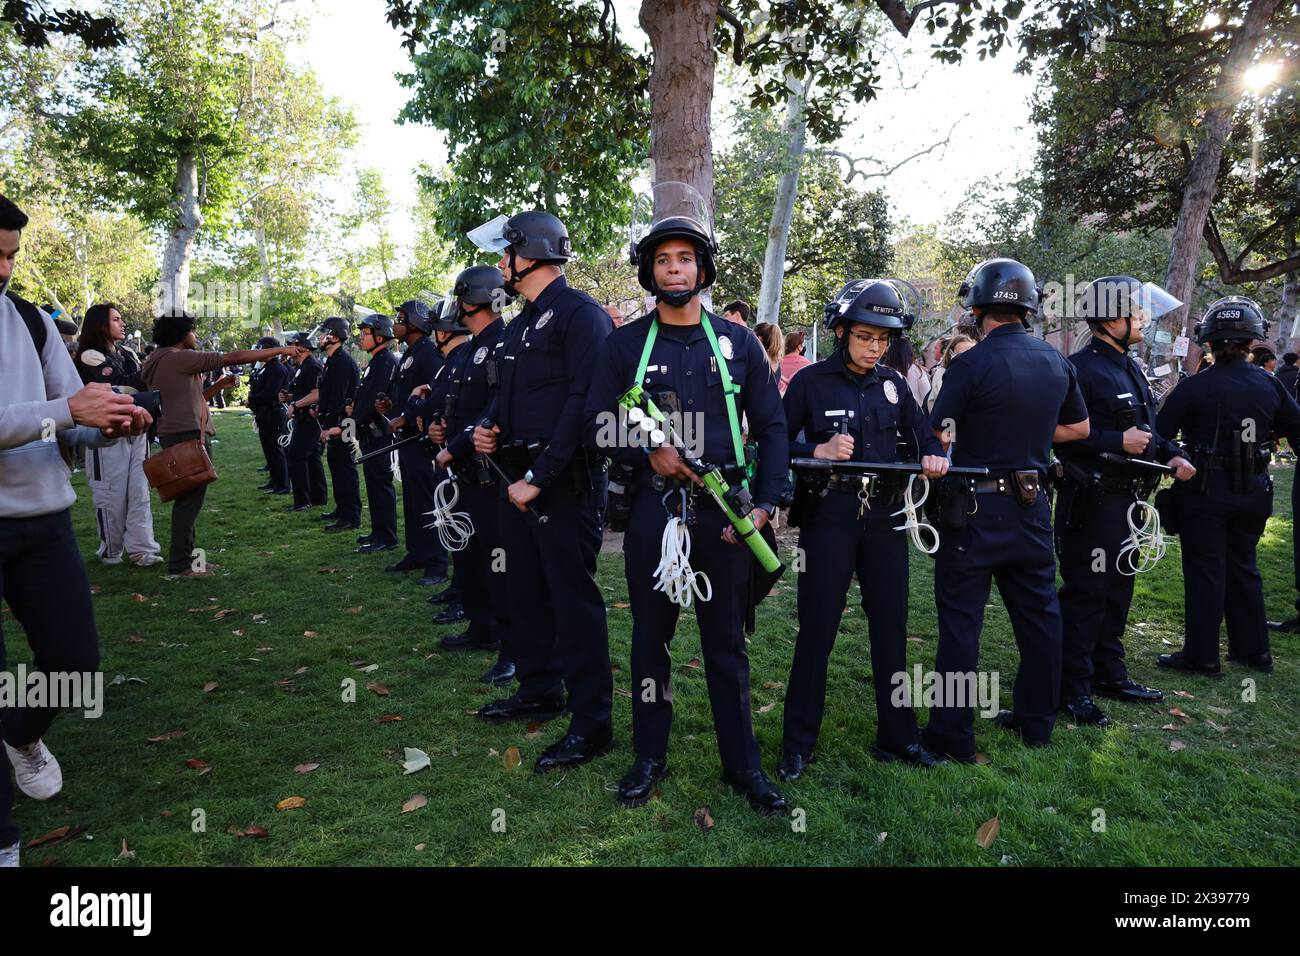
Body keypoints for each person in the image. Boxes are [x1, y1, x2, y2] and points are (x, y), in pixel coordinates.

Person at [584, 184, 788, 814]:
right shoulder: (624, 345)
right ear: (650, 271)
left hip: (725, 510)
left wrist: (768, 502)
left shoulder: (737, 342)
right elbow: (597, 422)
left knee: (726, 642)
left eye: (685, 259)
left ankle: (744, 766)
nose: (675, 268)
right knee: (650, 640)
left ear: (703, 269)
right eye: (664, 260)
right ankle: (649, 758)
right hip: (655, 511)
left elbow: (773, 426)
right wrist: (648, 454)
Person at [1, 193, 153, 868]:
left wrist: (109, 421)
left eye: (10, 254)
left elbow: (74, 420)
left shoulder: (30, 322)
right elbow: (56, 410)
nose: (3, 267)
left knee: (75, 666)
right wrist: (65, 410)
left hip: (41, 521)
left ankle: (22, 732)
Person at [778, 280, 949, 782]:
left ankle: (898, 737)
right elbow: (776, 447)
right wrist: (818, 452)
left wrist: (934, 457)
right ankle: (797, 743)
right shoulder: (810, 382)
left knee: (891, 627)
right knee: (817, 628)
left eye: (883, 339)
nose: (875, 347)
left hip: (886, 521)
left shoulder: (896, 384)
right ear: (841, 331)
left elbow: (924, 440)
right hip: (829, 517)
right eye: (865, 336)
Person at [924, 258, 1090, 761]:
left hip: (976, 507)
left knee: (961, 622)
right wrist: (1033, 434)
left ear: (977, 309)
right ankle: (1037, 721)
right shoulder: (1057, 362)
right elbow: (1079, 430)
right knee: (1040, 617)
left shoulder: (970, 363)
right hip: (1033, 504)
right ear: (1028, 308)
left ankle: (952, 736)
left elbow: (941, 428)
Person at [470, 209, 615, 774]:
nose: (501, 265)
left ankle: (592, 723)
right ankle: (539, 688)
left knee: (573, 604)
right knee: (523, 593)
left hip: (561, 484)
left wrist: (539, 477)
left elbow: (586, 405)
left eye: (506, 254)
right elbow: (507, 395)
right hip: (516, 480)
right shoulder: (522, 322)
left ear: (527, 253)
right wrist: (485, 428)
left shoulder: (581, 317)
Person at [1053, 277, 1197, 725]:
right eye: (1136, 312)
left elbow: (1148, 431)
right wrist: (1115, 439)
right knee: (1087, 593)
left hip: (1130, 501)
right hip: (1092, 502)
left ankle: (1108, 673)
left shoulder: (1129, 366)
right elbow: (1058, 435)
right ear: (1110, 319)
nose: (1143, 319)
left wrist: (1172, 454)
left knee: (1118, 591)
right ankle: (1070, 688)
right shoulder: (1078, 368)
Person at [1155, 297, 1300, 674]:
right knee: (1244, 566)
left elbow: (1161, 433)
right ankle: (1253, 651)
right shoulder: (1270, 385)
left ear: (1209, 342)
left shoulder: (1195, 387)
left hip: (1205, 489)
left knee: (1206, 570)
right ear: (1253, 341)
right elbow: (1294, 425)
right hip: (1252, 488)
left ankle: (1202, 656)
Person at [140, 311, 294, 576]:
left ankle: (188, 560)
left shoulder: (160, 360)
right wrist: (281, 349)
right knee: (189, 501)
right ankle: (180, 565)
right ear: (181, 335)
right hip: (185, 436)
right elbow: (232, 357)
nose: (195, 336)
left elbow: (192, 398)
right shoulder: (179, 358)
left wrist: (219, 386)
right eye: (192, 331)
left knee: (189, 499)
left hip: (177, 433)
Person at [431, 266, 515, 685]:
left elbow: (494, 411)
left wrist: (454, 446)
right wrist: (438, 430)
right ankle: (481, 626)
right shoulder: (467, 350)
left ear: (473, 299)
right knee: (470, 554)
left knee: (501, 563)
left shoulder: (505, 342)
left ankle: (511, 646)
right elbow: (457, 404)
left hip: (490, 472)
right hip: (463, 471)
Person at [73, 302, 162, 566]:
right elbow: (117, 389)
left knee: (139, 490)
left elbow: (134, 384)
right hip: (105, 431)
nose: (122, 323)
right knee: (110, 491)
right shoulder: (89, 355)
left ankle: (142, 549)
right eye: (116, 319)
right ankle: (111, 550)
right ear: (101, 325)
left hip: (137, 428)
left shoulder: (126, 353)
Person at [378, 300, 449, 587]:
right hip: (407, 441)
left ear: (416, 322)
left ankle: (436, 562)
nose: (395, 323)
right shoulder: (409, 354)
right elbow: (407, 392)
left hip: (423, 441)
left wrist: (406, 417)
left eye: (401, 318)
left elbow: (434, 394)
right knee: (411, 498)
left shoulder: (429, 354)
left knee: (427, 499)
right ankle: (416, 553)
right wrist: (389, 405)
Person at [351, 315, 400, 553]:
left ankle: (387, 536)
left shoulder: (385, 361)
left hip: (379, 433)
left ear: (379, 336)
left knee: (380, 484)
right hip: (370, 433)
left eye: (365, 333)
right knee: (373, 484)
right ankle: (378, 531)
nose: (361, 337)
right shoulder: (376, 360)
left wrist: (352, 418)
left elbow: (374, 399)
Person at [313, 317, 362, 533]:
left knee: (345, 466)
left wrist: (331, 425)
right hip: (335, 420)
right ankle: (342, 509)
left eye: (324, 333)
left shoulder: (342, 362)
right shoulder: (332, 360)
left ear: (333, 336)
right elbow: (329, 394)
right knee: (336, 463)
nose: (321, 337)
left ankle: (351, 516)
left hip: (345, 422)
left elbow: (340, 398)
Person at [280, 331, 328, 513]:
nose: (289, 350)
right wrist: (290, 397)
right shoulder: (302, 366)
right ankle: (318, 497)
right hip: (304, 417)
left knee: (297, 456)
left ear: (302, 347)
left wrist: (295, 403)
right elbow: (306, 392)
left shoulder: (312, 366)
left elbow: (317, 394)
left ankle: (302, 501)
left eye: (292, 345)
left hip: (309, 419)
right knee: (312, 457)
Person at [246, 335, 292, 496]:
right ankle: (274, 480)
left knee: (276, 450)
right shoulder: (266, 367)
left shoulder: (277, 368)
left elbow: (270, 393)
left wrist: (252, 399)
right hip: (265, 414)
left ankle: (283, 484)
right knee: (269, 450)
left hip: (274, 414)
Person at [925, 333, 975, 414]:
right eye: (961, 354)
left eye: (970, 353)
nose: (967, 357)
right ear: (951, 353)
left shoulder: (978, 374)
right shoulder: (942, 373)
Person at [883, 336, 930, 408]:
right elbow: (927, 397)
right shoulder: (918, 372)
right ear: (909, 352)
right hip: (913, 415)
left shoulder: (884, 372)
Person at [778, 329, 811, 395]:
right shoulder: (807, 365)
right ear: (799, 347)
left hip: (778, 402)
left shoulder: (777, 363)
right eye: (802, 344)